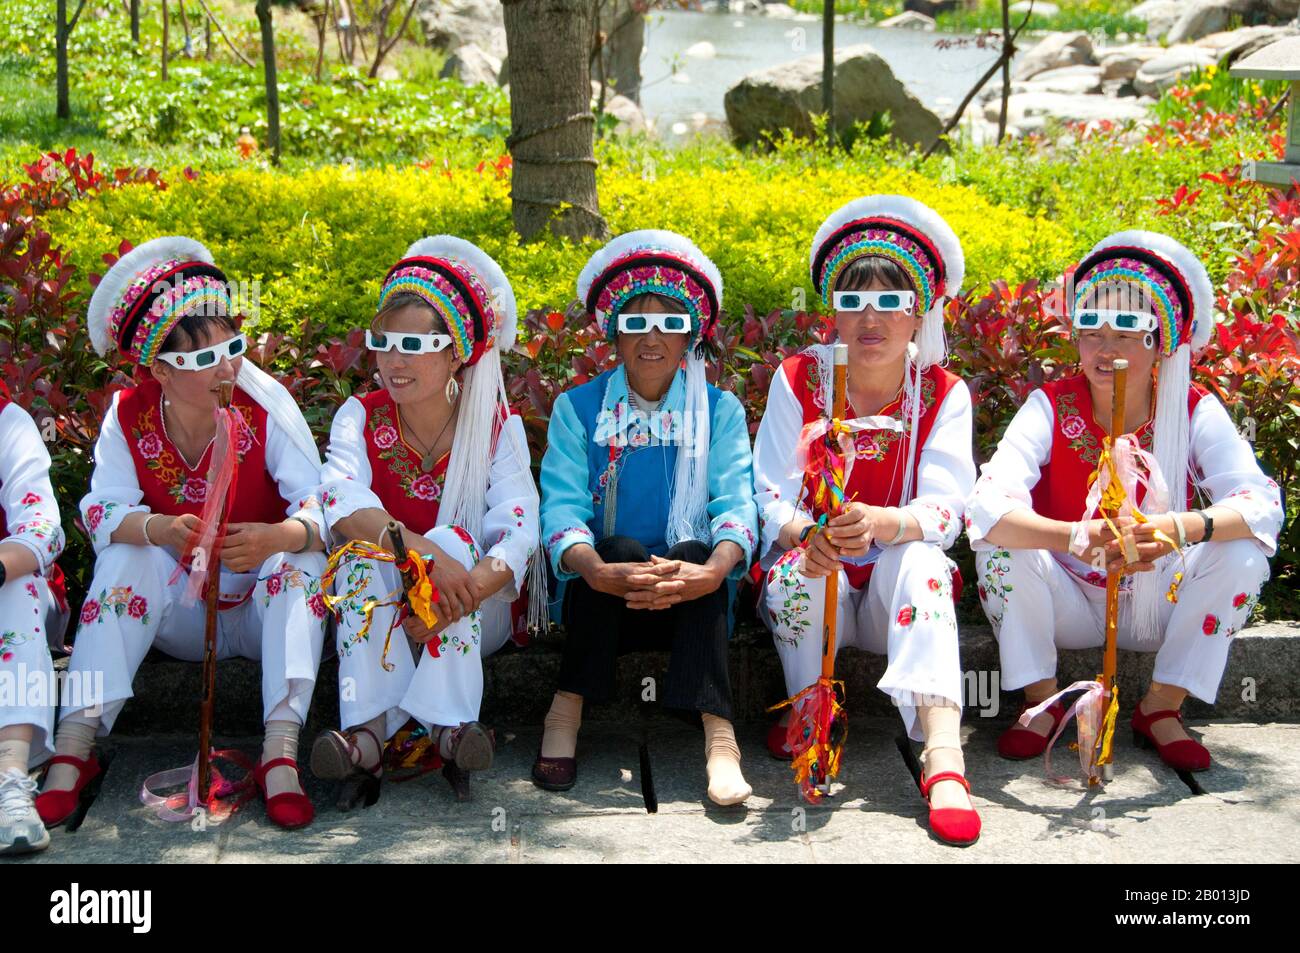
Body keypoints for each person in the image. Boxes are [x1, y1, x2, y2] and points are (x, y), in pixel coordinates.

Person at [37, 237, 329, 830]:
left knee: (300, 567)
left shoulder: (264, 408)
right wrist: (158, 527)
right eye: (201, 359)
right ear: (158, 371)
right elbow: (99, 509)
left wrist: (280, 536)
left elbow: (320, 504)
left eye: (233, 348)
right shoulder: (129, 415)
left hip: (254, 609)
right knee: (126, 555)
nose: (227, 368)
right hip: (178, 612)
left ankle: (281, 751)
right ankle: (74, 748)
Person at [967, 230, 1281, 772]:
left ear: (1160, 341)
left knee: (1245, 552)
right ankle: (1043, 700)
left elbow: (1261, 503)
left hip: (1160, 594)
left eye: (1127, 331)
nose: (1105, 348)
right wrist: (1073, 536)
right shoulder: (1050, 405)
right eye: (1090, 330)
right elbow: (988, 504)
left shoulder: (1193, 408)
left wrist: (1177, 529)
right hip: (1068, 592)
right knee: (999, 548)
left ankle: (1161, 707)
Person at [752, 196, 980, 845]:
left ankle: (943, 757)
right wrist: (808, 536)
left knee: (926, 561)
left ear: (920, 312)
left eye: (892, 301)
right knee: (794, 572)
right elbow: (770, 489)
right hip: (821, 569)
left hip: (889, 590)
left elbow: (946, 508)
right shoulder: (798, 377)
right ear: (834, 313)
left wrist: (881, 521)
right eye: (852, 302)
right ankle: (809, 717)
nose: (870, 319)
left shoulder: (943, 392)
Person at [533, 230, 759, 806]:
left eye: (669, 323)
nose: (652, 339)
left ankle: (720, 736)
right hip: (605, 594)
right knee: (619, 547)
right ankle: (565, 714)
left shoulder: (721, 410)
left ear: (692, 333)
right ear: (614, 334)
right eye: (636, 324)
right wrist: (594, 568)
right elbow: (562, 504)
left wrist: (714, 570)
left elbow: (736, 501)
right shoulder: (578, 408)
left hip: (693, 598)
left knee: (691, 553)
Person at [311, 236, 541, 802]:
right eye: (383, 342)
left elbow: (519, 528)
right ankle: (368, 731)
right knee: (363, 555)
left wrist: (459, 588)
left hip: (470, 611)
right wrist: (422, 556)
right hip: (392, 609)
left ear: (457, 352)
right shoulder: (359, 416)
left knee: (454, 539)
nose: (393, 359)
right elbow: (338, 498)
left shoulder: (493, 425)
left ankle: (447, 723)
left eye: (415, 344)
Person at [0, 380, 68, 854]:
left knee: (16, 588)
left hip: (9, 588)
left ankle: (11, 779)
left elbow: (44, 528)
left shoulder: (8, 422)